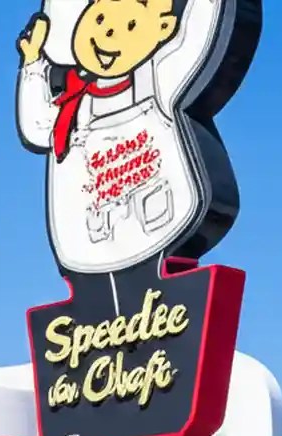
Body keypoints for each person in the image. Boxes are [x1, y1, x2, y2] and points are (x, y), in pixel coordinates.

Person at [15, 0, 224, 277]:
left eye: (130, 25)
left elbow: (194, 42)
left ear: (163, 27)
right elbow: (38, 128)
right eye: (100, 20)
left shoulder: (158, 79)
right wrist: (32, 64)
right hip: (88, 242)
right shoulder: (75, 100)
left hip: (161, 225)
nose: (108, 35)